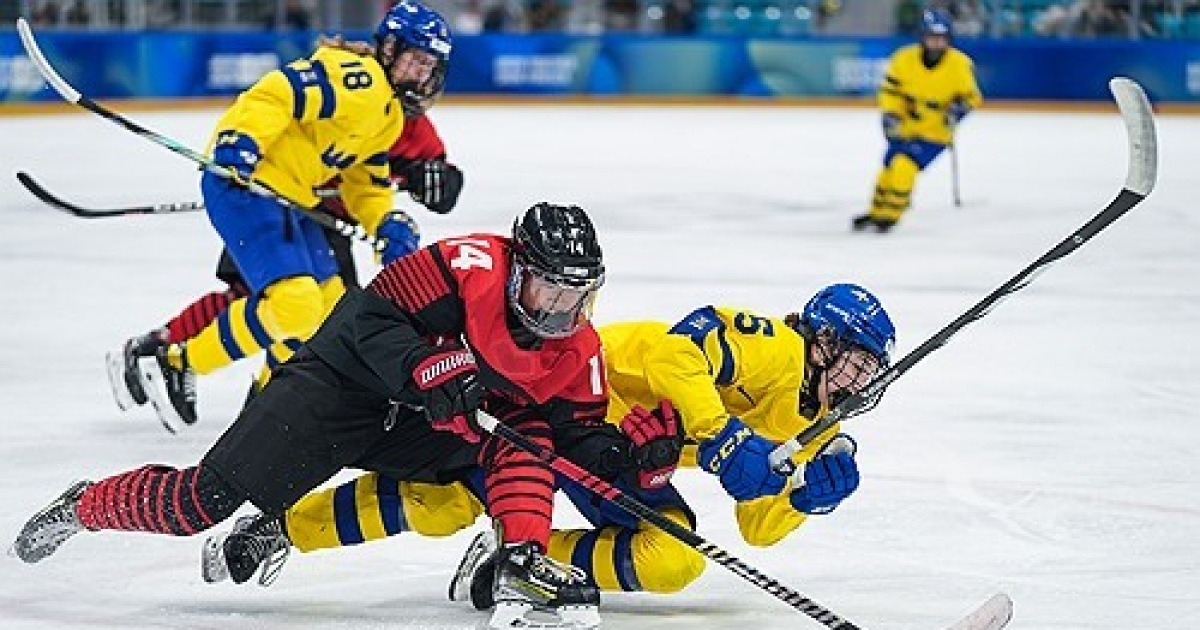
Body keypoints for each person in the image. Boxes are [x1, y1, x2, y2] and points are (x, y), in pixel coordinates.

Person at [13, 202, 617, 630]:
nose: (562, 310)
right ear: (517, 270)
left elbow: (572, 434)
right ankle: (85, 504)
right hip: (334, 390)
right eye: (549, 291)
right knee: (198, 503)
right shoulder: (462, 266)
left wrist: (616, 456)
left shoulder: (578, 349)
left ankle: (520, 560)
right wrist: (429, 369)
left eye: (576, 295)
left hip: (414, 424)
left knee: (525, 438)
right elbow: (367, 318)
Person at [196, 284, 895, 610]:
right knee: (440, 504)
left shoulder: (820, 422)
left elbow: (756, 524)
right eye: (858, 362)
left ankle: (518, 555)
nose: (862, 381)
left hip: (630, 456)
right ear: (824, 340)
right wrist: (722, 434)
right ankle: (281, 526)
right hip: (571, 403)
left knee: (676, 559)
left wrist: (804, 497)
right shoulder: (773, 346)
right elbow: (685, 348)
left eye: (871, 373)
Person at [100, 1, 453, 433]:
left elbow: (364, 182)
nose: (421, 74)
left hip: (293, 202)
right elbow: (278, 93)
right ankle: (175, 362)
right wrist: (237, 141)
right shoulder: (357, 79)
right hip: (250, 188)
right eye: (415, 60)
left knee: (329, 314)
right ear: (390, 48)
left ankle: (269, 405)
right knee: (293, 303)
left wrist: (385, 223)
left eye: (428, 65)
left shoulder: (388, 116)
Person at [853, 8, 982, 233]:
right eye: (932, 37)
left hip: (935, 133)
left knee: (905, 166)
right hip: (905, 127)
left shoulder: (960, 64)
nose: (936, 43)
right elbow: (890, 91)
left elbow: (971, 97)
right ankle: (876, 211)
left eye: (941, 38)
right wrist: (890, 114)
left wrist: (959, 109)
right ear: (922, 36)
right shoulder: (903, 59)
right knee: (888, 169)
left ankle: (891, 214)